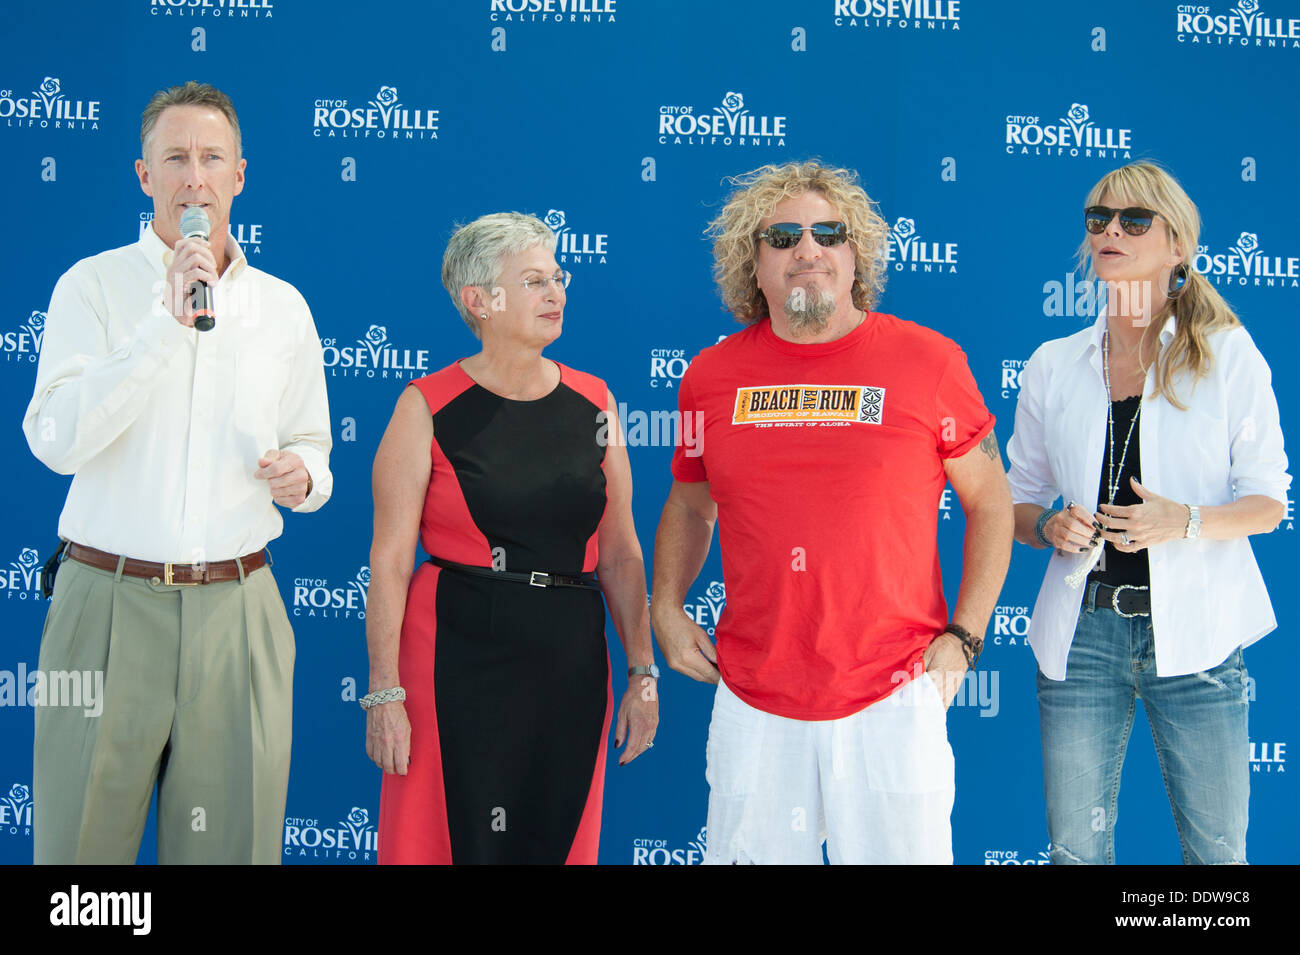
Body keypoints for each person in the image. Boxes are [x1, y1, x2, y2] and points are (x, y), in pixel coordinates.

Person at [650, 160, 1013, 864]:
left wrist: (965, 637)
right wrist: (665, 604)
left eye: (829, 233)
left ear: (856, 256)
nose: (807, 249)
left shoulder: (930, 362)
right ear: (751, 263)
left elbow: (991, 501)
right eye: (782, 236)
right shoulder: (709, 378)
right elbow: (692, 504)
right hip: (756, 699)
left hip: (893, 695)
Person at [21, 81, 332, 864]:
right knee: (80, 855)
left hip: (239, 610)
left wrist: (305, 475)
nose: (195, 177)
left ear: (239, 175)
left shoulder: (284, 308)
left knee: (235, 846)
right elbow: (55, 439)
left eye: (211, 158)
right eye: (176, 158)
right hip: (105, 607)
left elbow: (314, 443)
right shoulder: (90, 287)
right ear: (144, 175)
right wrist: (163, 325)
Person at [1006, 161, 1289, 865]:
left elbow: (1269, 501)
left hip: (1195, 631)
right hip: (1084, 632)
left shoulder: (1226, 354)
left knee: (1218, 856)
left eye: (1135, 220)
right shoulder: (1052, 362)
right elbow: (1018, 499)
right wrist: (1048, 525)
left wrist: (1184, 521)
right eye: (1098, 219)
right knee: (1075, 851)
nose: (1111, 231)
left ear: (1177, 244)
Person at [364, 212, 658, 864]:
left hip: (569, 664)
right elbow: (388, 559)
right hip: (451, 660)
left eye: (558, 277)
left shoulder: (596, 401)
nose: (556, 292)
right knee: (441, 841)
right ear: (478, 300)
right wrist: (385, 691)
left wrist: (642, 671)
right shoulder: (425, 405)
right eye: (533, 280)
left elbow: (621, 552)